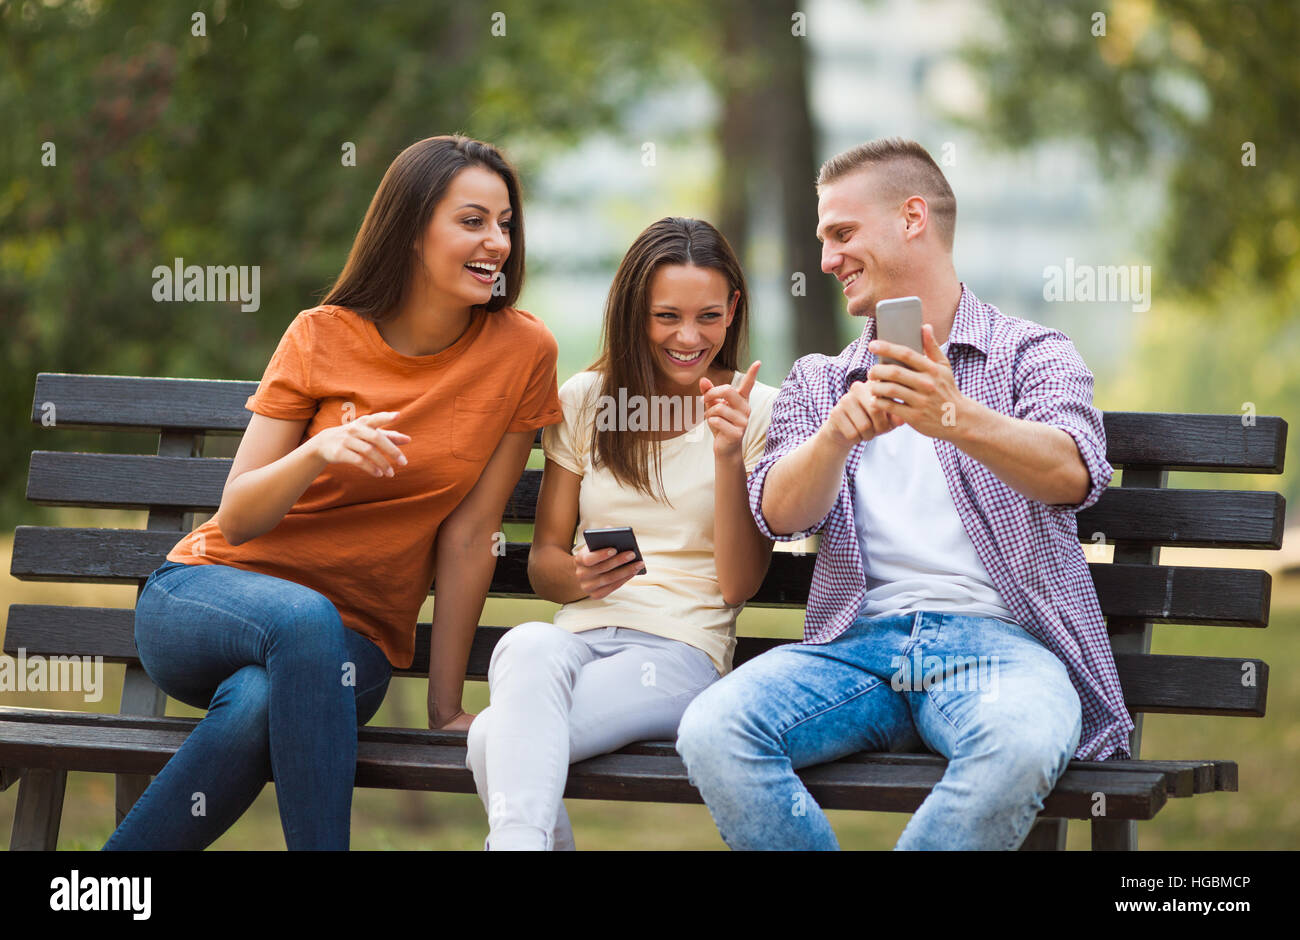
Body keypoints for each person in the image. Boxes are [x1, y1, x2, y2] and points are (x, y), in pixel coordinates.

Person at [103, 135, 562, 850]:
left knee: (261, 700)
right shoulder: (320, 336)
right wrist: (317, 451)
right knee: (303, 622)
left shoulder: (523, 351)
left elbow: (471, 535)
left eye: (505, 223)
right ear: (412, 231)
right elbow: (239, 517)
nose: (497, 242)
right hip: (204, 598)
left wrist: (446, 710)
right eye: (472, 221)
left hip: (354, 651)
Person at [675, 137, 1134, 850]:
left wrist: (955, 417)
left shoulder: (1033, 353)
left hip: (999, 647)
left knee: (1019, 745)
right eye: (825, 238)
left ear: (913, 218)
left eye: (843, 233)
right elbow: (777, 513)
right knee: (714, 730)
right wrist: (834, 439)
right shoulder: (822, 380)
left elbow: (1073, 470)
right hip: (855, 651)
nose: (827, 258)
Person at [465, 217, 778, 850]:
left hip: (678, 652)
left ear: (733, 310)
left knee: (492, 737)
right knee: (525, 643)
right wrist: (579, 576)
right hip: (573, 643)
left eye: (708, 316)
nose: (689, 338)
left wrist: (727, 453)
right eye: (667, 316)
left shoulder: (758, 410)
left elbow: (739, 583)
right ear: (635, 311)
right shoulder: (587, 400)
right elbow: (544, 564)